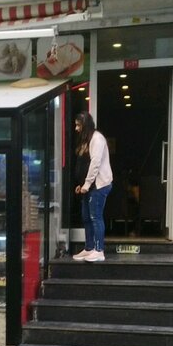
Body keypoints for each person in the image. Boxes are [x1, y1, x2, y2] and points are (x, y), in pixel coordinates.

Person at [71, 111, 113, 262]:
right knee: (86, 217)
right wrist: (82, 185)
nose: (76, 128)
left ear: (85, 125)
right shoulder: (87, 139)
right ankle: (89, 248)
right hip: (89, 186)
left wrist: (86, 184)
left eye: (78, 125)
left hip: (99, 185)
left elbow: (95, 163)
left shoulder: (97, 139)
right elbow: (84, 164)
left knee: (95, 217)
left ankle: (99, 250)